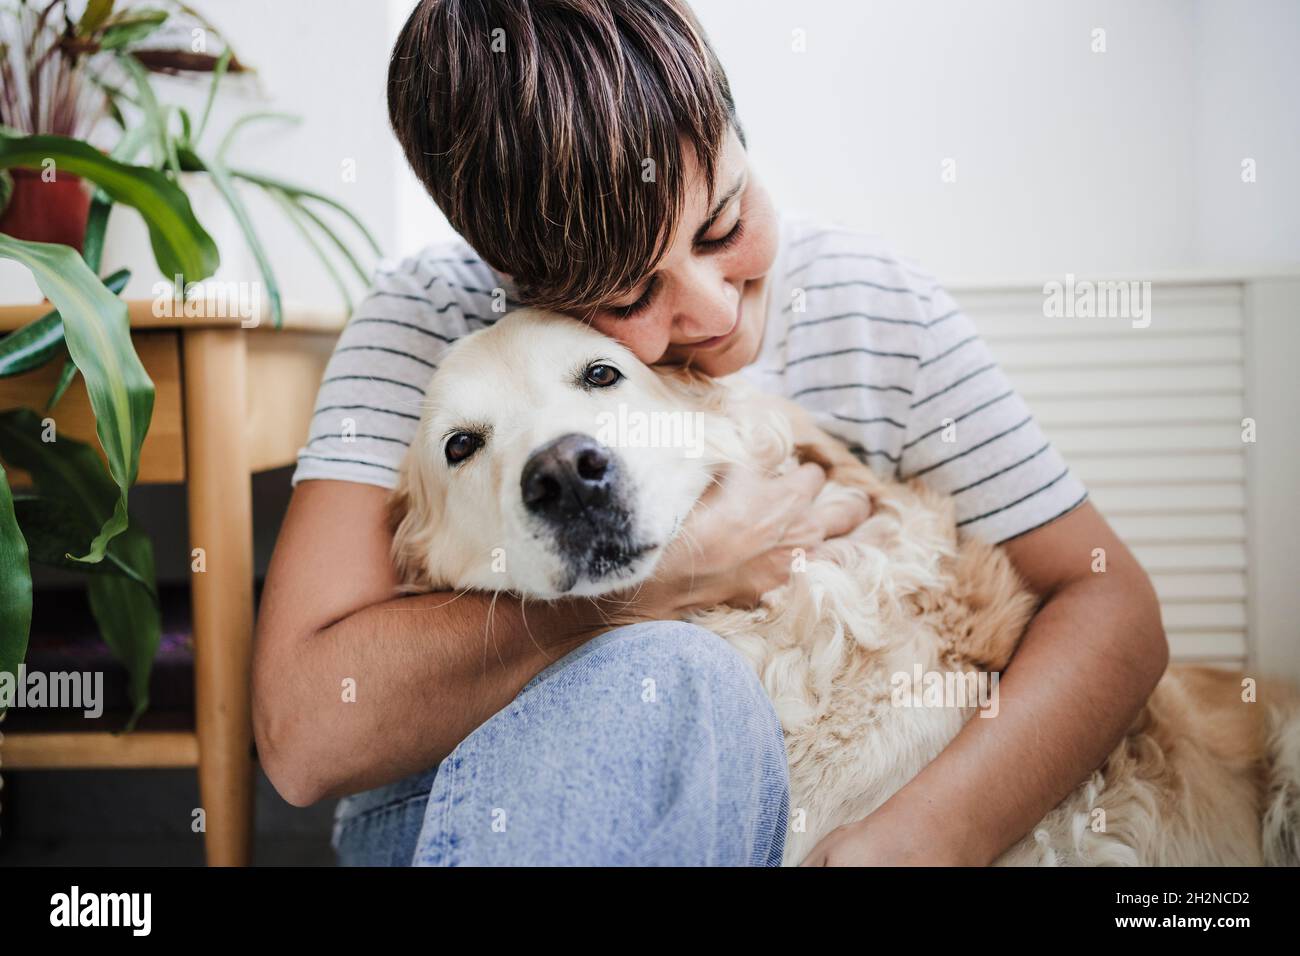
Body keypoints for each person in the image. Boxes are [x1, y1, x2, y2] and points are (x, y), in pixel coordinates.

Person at [252, 0, 1168, 866]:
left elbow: (1111, 608)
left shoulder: (874, 304)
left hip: (778, 787)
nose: (715, 309)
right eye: (625, 298)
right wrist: (675, 576)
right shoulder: (425, 318)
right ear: (513, 280)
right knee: (673, 677)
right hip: (460, 801)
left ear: (739, 134)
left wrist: (926, 836)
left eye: (724, 224)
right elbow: (300, 737)